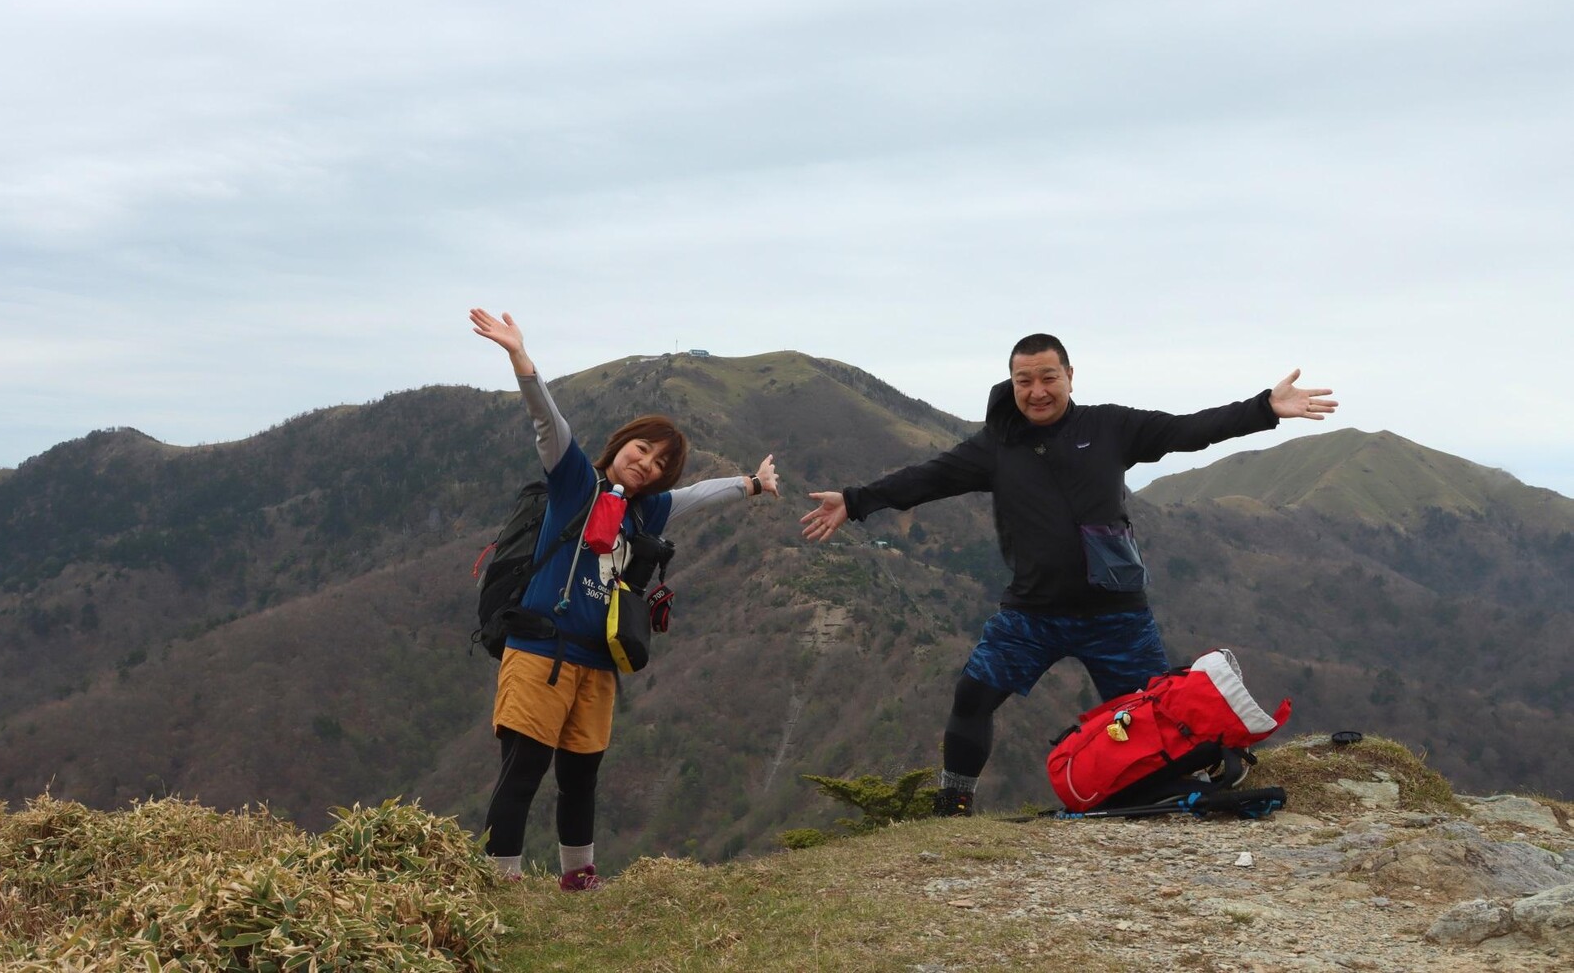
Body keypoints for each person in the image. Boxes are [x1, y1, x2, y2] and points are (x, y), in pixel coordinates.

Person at [799, 333, 1336, 816]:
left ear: (1070, 377)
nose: (1036, 391)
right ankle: (953, 805)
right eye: (1023, 380)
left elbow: (1187, 430)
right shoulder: (997, 447)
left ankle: (1204, 765)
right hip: (1032, 613)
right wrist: (854, 501)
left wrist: (1265, 408)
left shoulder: (1110, 427)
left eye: (1047, 377)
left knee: (1158, 715)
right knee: (973, 698)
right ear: (1011, 384)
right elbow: (928, 478)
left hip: (1115, 614)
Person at [470, 307, 781, 889]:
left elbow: (700, 495)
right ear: (621, 444)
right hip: (539, 651)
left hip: (596, 663)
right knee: (523, 772)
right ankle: (501, 885)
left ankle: (579, 878)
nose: (647, 464)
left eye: (660, 462)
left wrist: (753, 485)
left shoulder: (649, 510)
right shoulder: (574, 486)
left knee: (582, 776)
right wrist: (521, 359)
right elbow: (548, 423)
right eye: (642, 449)